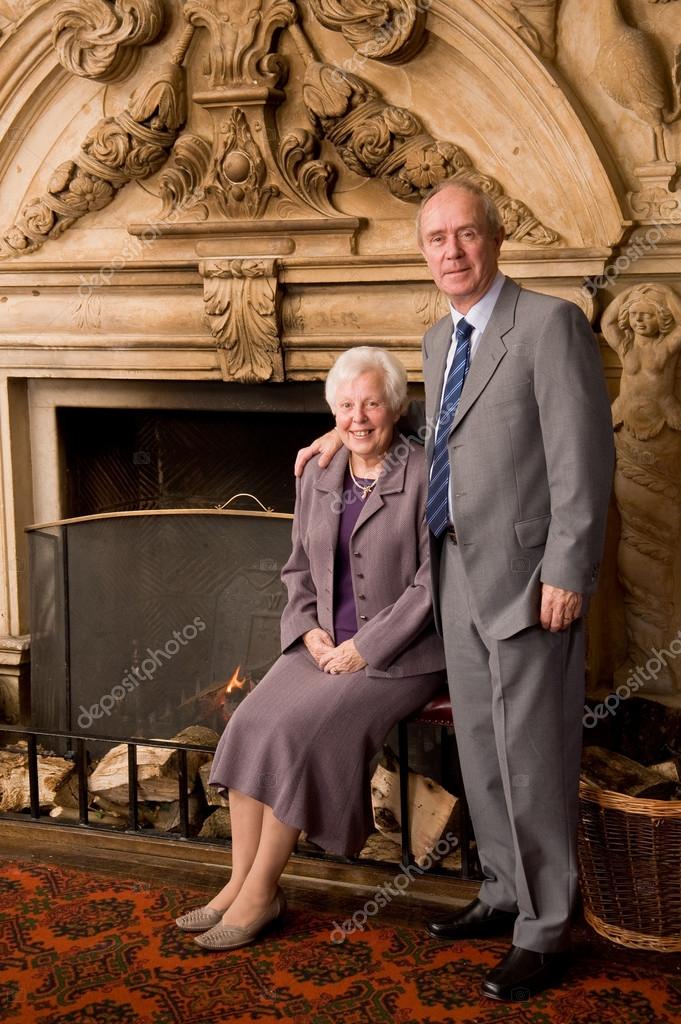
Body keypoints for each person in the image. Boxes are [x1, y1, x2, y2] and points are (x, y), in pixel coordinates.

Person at [295, 178, 614, 1000]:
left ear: (495, 240)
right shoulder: (439, 343)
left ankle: (546, 929)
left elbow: (584, 461)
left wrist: (567, 572)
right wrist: (341, 431)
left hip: (529, 584)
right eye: (435, 240)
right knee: (482, 748)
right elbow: (434, 445)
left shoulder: (548, 326)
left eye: (464, 235)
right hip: (453, 580)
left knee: (532, 755)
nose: (450, 252)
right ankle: (505, 892)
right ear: (423, 254)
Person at [176, 346, 446, 951]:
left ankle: (262, 891)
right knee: (249, 722)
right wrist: (308, 632)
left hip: (400, 655)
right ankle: (240, 882)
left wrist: (364, 648)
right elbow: (297, 568)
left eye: (372, 403)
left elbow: (435, 584)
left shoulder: (429, 473)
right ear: (332, 412)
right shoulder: (319, 472)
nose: (358, 417)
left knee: (297, 736)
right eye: (346, 405)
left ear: (397, 408)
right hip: (320, 645)